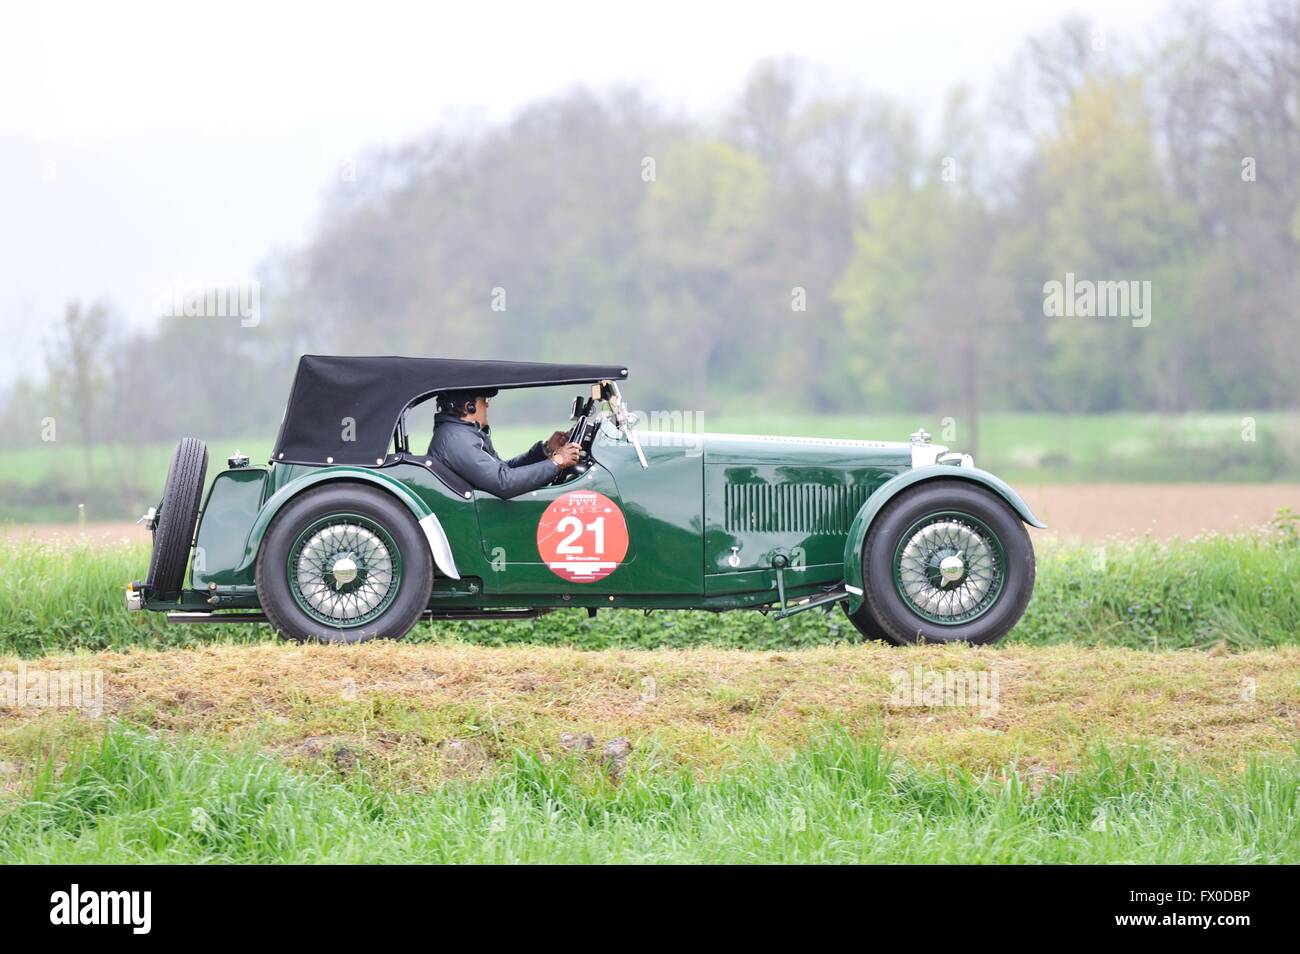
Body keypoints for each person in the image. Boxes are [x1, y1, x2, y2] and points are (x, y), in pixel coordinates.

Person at [427, 389, 581, 499]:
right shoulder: (457, 439)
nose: (488, 406)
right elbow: (504, 483)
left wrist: (546, 450)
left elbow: (503, 470)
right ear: (469, 407)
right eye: (485, 401)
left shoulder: (458, 434)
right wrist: (556, 462)